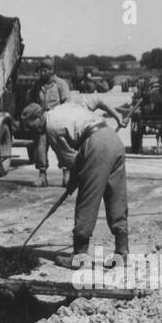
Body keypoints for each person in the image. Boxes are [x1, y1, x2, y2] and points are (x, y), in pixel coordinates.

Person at [44, 92, 130, 268]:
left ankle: (80, 257)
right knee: (116, 197)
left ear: (36, 122)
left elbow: (72, 162)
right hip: (112, 138)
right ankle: (122, 252)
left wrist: (71, 185)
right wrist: (116, 116)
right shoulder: (70, 105)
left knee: (86, 200)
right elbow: (98, 100)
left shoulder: (49, 127)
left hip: (95, 144)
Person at [31, 60, 73, 187]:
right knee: (41, 148)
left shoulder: (61, 84)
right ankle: (42, 176)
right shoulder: (37, 85)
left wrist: (59, 116)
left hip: (57, 122)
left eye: (46, 70)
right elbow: (32, 102)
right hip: (42, 122)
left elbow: (67, 103)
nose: (43, 72)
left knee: (62, 147)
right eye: (41, 70)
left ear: (52, 70)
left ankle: (67, 175)